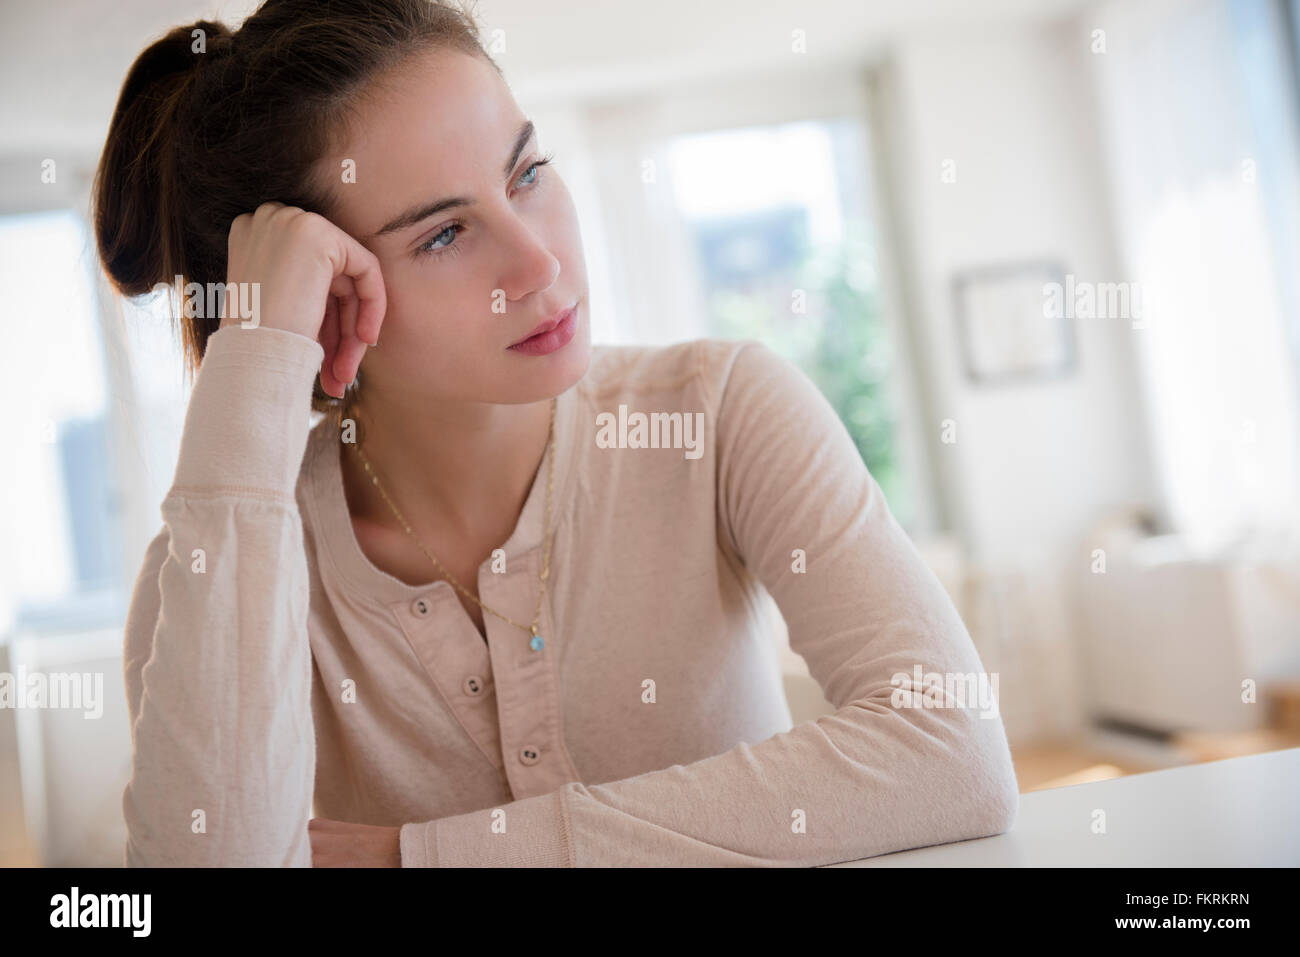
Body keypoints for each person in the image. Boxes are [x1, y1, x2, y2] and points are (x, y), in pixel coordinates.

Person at [94, 0, 1019, 867]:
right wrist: (257, 355)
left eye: (527, 173)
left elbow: (951, 752)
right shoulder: (215, 567)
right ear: (333, 293)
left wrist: (423, 854)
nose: (539, 261)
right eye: (444, 236)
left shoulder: (720, 409)